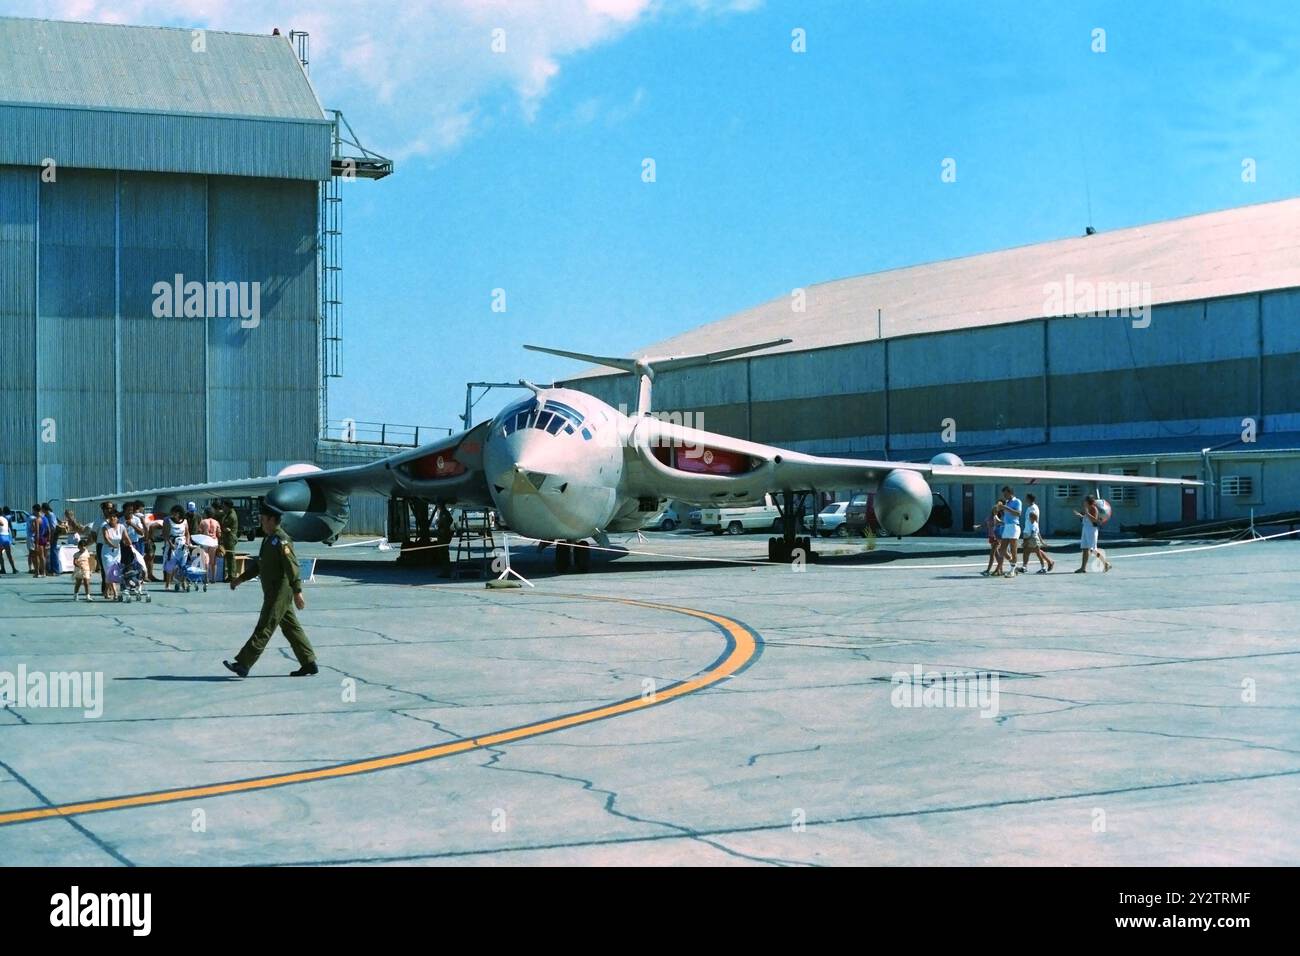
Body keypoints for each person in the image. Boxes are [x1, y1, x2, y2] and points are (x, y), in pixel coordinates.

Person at [223, 501, 317, 678]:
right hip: (273, 591)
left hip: (279, 592)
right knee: (291, 628)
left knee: (265, 626)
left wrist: (297, 591)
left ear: (272, 520)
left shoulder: (282, 540)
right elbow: (260, 565)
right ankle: (308, 662)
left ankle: (244, 664)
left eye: (264, 519)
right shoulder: (269, 540)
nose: (261, 523)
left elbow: (292, 567)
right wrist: (239, 579)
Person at [1074, 494, 1112, 573]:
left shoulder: (1093, 508)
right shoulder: (1087, 508)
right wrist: (1080, 516)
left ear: (1088, 502)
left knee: (1093, 550)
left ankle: (1106, 563)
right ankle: (1083, 568)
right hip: (1085, 528)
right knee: (1084, 549)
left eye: (1085, 500)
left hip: (1091, 530)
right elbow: (1087, 518)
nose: (1083, 502)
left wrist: (1087, 513)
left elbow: (1095, 520)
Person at [1019, 493, 1054, 573]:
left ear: (1029, 499)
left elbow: (1035, 520)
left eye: (1026, 498)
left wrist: (1036, 535)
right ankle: (1025, 567)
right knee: (1029, 550)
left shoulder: (1033, 508)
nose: (1025, 499)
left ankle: (1045, 565)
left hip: (1030, 532)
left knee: (1035, 550)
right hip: (1027, 531)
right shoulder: (1030, 508)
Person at [994, 485, 1022, 577]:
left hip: (1014, 527)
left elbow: (1018, 513)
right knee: (1002, 550)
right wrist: (999, 507)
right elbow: (998, 509)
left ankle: (1012, 571)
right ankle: (1014, 566)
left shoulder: (1017, 501)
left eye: (1005, 493)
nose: (1004, 495)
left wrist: (1005, 508)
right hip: (1007, 527)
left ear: (1010, 493)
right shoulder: (1006, 502)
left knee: (1014, 549)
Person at [163, 505, 191, 591]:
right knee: (170, 564)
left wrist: (187, 542)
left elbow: (187, 533)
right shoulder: (168, 521)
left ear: (179, 513)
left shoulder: (185, 521)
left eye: (174, 512)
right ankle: (168, 584)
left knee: (183, 564)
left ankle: (183, 583)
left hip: (182, 544)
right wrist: (170, 544)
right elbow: (166, 534)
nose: (173, 514)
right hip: (172, 544)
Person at [101, 511, 124, 601]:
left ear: (117, 518)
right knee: (110, 571)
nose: (113, 518)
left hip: (117, 552)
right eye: (111, 517)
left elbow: (126, 538)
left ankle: (106, 591)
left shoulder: (121, 527)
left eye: (114, 517)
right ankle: (115, 593)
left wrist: (130, 545)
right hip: (107, 552)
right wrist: (112, 545)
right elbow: (106, 539)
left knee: (113, 572)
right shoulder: (105, 527)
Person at [219, 500, 240, 582]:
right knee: (228, 556)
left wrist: (223, 529)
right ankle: (230, 574)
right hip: (228, 537)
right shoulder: (228, 513)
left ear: (227, 506)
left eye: (224, 506)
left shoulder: (231, 516)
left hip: (230, 538)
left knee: (231, 556)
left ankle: (232, 575)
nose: (222, 508)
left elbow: (225, 526)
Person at [199, 507, 221, 583]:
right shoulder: (216, 522)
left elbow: (200, 532)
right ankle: (213, 578)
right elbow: (219, 533)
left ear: (206, 513)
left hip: (205, 541)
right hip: (214, 541)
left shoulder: (203, 521)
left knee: (206, 560)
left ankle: (206, 578)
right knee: (213, 561)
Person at [981, 499, 1002, 576]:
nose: (996, 512)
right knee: (996, 554)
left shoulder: (995, 517)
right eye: (995, 511)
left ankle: (988, 570)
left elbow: (1001, 522)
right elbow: (984, 524)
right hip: (991, 537)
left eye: (996, 511)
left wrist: (1004, 523)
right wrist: (978, 526)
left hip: (995, 537)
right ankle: (999, 570)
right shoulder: (990, 517)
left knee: (992, 554)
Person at [0, 507, 16, 574]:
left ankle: (3, 569)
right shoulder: (5, 518)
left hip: (0, 537)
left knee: (0, 555)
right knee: (9, 554)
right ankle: (14, 568)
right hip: (6, 536)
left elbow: (1, 524)